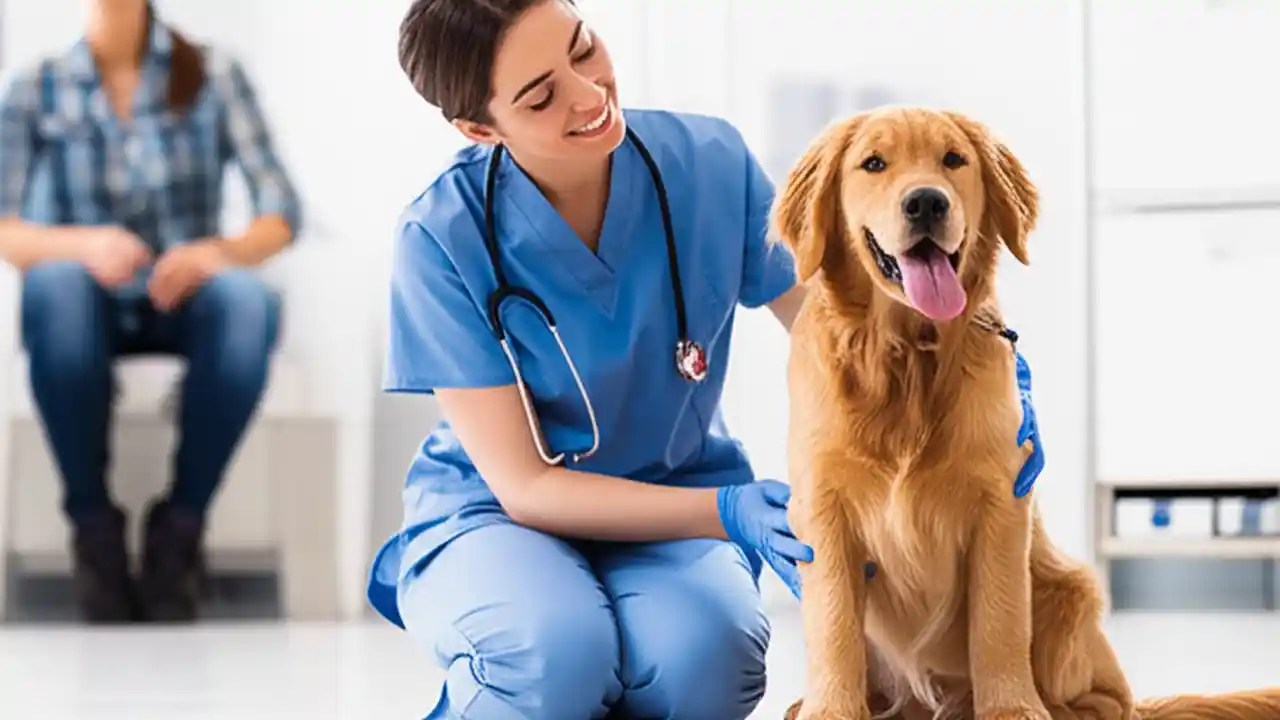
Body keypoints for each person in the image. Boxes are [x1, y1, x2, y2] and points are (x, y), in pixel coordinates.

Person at [371, 1, 1044, 718]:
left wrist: (987, 368)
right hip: (503, 518)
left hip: (674, 507)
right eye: (541, 95)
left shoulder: (707, 165)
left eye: (584, 48)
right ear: (481, 128)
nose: (589, 93)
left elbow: (837, 320)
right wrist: (729, 509)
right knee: (554, 653)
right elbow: (526, 487)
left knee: (709, 664)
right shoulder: (441, 235)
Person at [0, 0, 300, 624]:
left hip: (183, 294)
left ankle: (180, 530)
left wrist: (215, 253)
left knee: (248, 300)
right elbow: (5, 227)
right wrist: (82, 244)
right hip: (84, 302)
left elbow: (280, 212)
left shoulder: (214, 72)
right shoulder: (38, 85)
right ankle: (94, 532)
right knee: (53, 287)